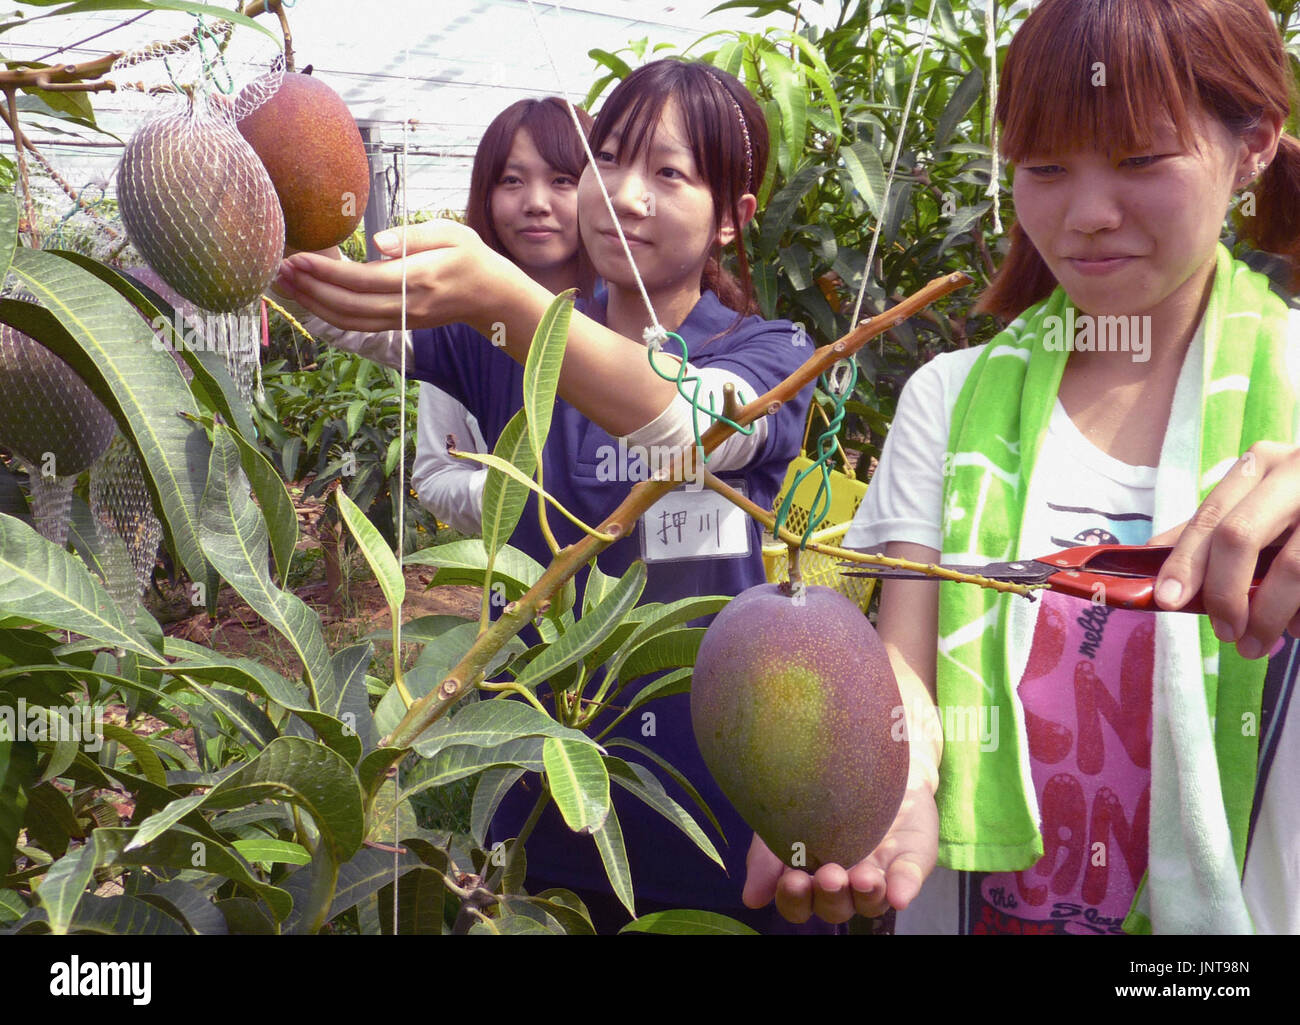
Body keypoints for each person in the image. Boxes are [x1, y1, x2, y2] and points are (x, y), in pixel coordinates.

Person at [745, 0, 1300, 935]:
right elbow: (908, 669)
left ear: (1251, 149)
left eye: (1139, 159)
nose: (1086, 215)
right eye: (1044, 168)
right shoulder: (950, 399)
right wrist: (878, 790)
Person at [274, 60, 818, 932]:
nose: (623, 195)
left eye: (668, 173)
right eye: (607, 160)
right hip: (534, 795)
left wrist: (508, 298)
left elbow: (687, 427)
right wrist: (240, 194)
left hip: (719, 804)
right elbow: (342, 311)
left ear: (732, 219)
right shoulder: (500, 339)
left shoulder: (770, 352)